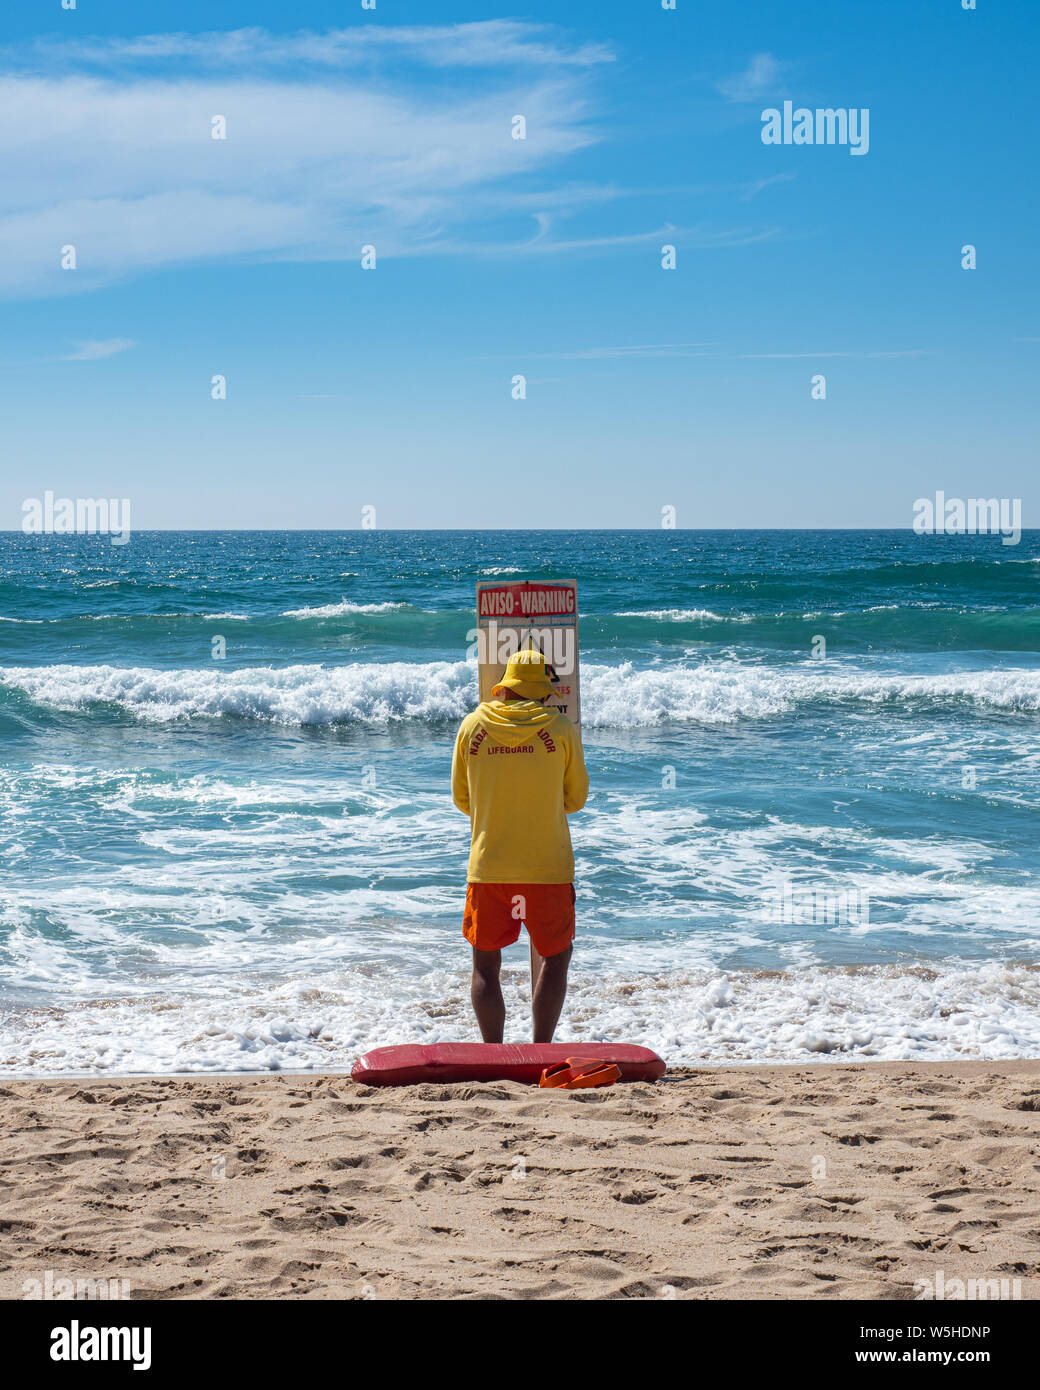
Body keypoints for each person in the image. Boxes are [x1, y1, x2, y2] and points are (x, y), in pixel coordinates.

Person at [451, 647, 589, 1043]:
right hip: (547, 868)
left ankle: (493, 1051)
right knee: (556, 957)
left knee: (485, 967)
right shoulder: (560, 729)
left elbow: (462, 800)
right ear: (543, 692)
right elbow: (576, 799)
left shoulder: (472, 726)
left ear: (507, 687)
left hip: (489, 865)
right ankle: (541, 1048)